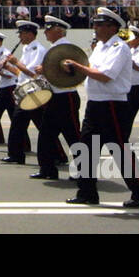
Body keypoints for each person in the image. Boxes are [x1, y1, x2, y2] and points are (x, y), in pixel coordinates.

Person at [64, 7, 139, 208]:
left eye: (99, 24)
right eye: (95, 23)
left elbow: (106, 75)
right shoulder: (100, 47)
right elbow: (91, 71)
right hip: (95, 103)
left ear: (111, 27)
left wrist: (79, 67)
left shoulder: (119, 47)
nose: (95, 27)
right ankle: (87, 193)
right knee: (85, 149)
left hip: (112, 104)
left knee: (119, 150)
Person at [27, 16, 83, 180]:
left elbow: (70, 71)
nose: (45, 32)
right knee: (46, 134)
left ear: (58, 30)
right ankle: (47, 169)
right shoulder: (54, 47)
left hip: (66, 97)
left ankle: (82, 171)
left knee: (73, 136)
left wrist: (45, 68)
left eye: (48, 29)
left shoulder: (66, 48)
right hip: (56, 97)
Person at [0, 20, 48, 166]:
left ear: (29, 34)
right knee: (27, 124)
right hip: (24, 90)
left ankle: (16, 155)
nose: (20, 36)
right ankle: (16, 154)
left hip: (32, 90)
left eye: (21, 33)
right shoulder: (27, 49)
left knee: (20, 124)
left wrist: (15, 62)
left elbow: (33, 73)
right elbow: (21, 72)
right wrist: (8, 67)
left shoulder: (38, 49)